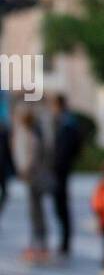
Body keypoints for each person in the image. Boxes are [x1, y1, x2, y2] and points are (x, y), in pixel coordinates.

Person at [13, 105, 53, 262]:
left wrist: (24, 170)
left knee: (36, 212)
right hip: (34, 176)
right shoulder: (36, 133)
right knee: (35, 211)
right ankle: (38, 242)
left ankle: (39, 244)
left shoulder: (31, 135)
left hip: (34, 177)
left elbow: (31, 157)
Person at [49, 94, 83, 257]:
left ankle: (65, 242)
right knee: (60, 205)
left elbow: (64, 149)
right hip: (62, 169)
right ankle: (64, 241)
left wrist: (57, 164)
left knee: (61, 205)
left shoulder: (66, 124)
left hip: (60, 170)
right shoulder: (68, 122)